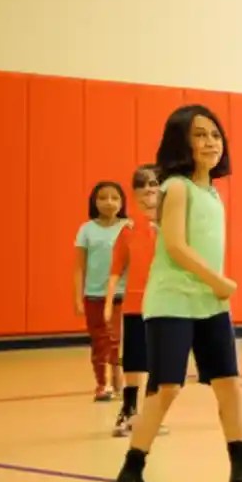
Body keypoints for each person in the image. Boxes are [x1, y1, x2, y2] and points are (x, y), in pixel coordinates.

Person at [110, 104, 242, 482]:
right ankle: (129, 475)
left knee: (228, 385)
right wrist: (218, 280)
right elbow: (175, 245)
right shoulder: (178, 187)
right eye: (200, 134)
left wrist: (214, 288)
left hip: (209, 304)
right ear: (181, 142)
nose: (210, 142)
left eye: (216, 135)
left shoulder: (211, 192)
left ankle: (241, 470)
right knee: (165, 386)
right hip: (172, 301)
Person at [105, 166, 161, 436]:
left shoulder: (172, 225)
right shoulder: (127, 229)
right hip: (136, 303)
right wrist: (107, 302)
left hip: (165, 302)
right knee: (135, 359)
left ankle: (150, 415)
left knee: (160, 361)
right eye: (142, 184)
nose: (149, 188)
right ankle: (128, 409)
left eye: (154, 183)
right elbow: (116, 267)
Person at [75, 180, 129, 401]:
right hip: (94, 296)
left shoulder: (128, 227)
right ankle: (101, 384)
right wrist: (78, 297)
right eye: (103, 198)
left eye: (115, 198)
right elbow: (79, 266)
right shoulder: (86, 229)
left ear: (122, 202)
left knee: (116, 340)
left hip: (120, 295)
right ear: (94, 202)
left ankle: (119, 384)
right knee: (99, 341)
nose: (109, 202)